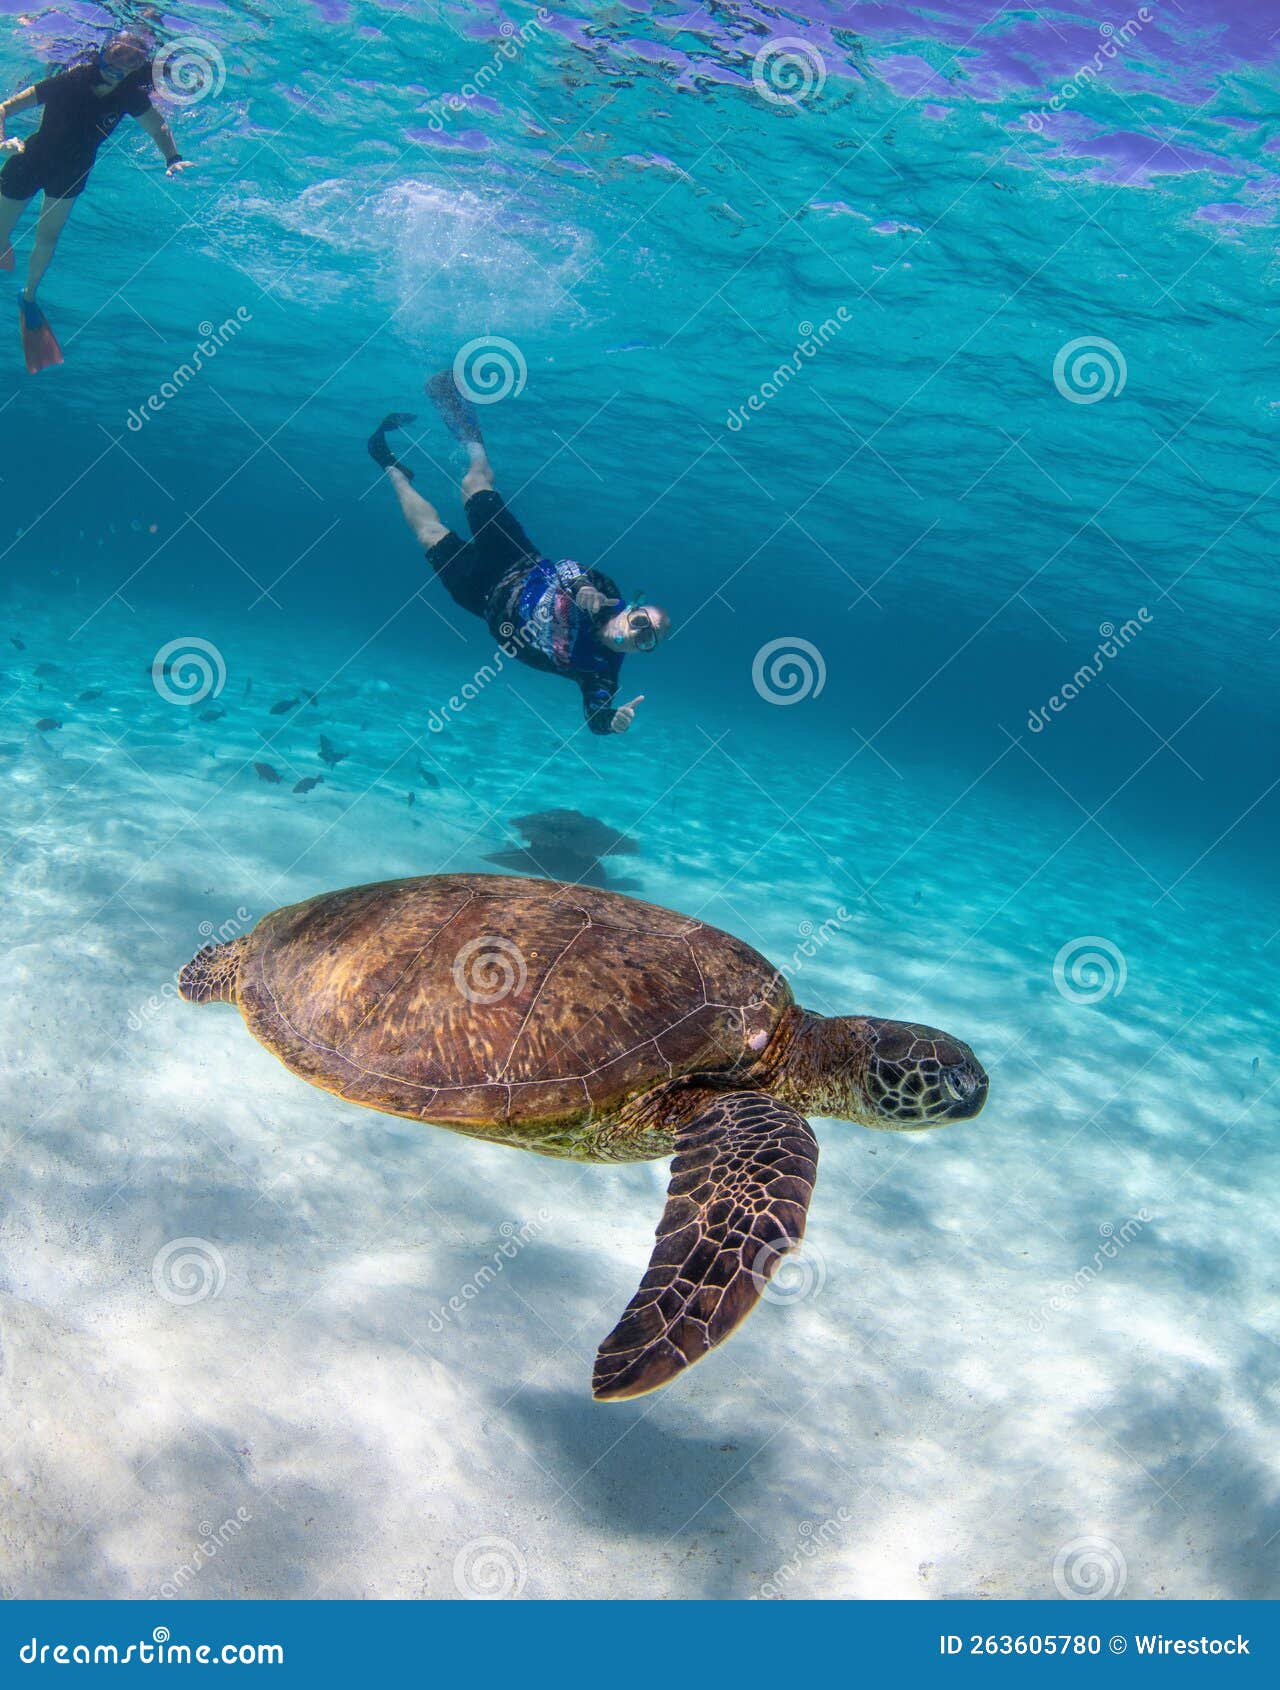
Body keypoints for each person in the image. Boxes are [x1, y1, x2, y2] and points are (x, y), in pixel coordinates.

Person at [368, 375, 672, 737]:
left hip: (481, 598)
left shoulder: (601, 670)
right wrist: (581, 589)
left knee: (428, 533)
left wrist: (611, 722)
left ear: (643, 651)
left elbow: (596, 713)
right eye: (641, 622)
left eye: (647, 640)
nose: (637, 635)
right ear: (632, 609)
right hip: (514, 560)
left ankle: (392, 468)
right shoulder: (606, 594)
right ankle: (457, 413)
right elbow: (567, 568)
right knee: (474, 483)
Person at [0, 30, 193, 371]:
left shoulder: (129, 96)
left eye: (133, 59)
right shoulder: (67, 81)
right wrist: (1, 141)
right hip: (29, 163)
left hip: (72, 173)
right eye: (118, 54)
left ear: (139, 66)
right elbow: (3, 108)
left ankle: (28, 296)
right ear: (103, 52)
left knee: (48, 237)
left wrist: (172, 157)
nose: (121, 65)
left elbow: (158, 127)